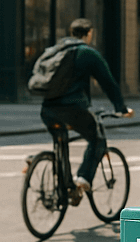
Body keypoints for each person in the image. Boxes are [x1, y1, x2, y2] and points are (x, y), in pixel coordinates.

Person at [39, 18, 134, 204]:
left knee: (61, 142)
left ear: (72, 32)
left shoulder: (55, 50)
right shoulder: (87, 53)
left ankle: (66, 187)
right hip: (72, 109)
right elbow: (108, 83)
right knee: (98, 140)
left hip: (47, 109)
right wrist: (121, 108)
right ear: (89, 33)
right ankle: (83, 178)